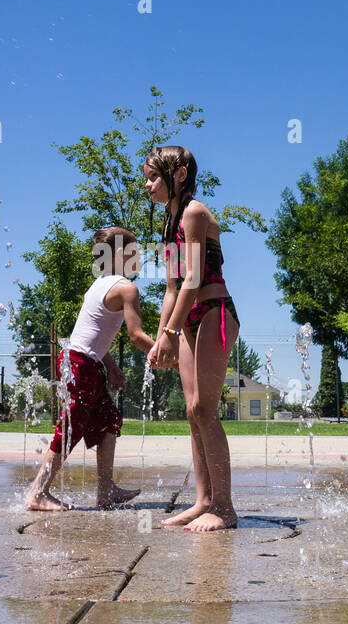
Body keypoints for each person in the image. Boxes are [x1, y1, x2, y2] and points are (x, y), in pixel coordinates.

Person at [26, 226, 155, 511]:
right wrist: (165, 352)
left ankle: (106, 490)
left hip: (84, 361)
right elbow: (136, 336)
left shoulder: (100, 284)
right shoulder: (126, 289)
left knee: (108, 419)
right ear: (121, 254)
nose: (142, 256)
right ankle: (38, 492)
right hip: (80, 364)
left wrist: (111, 366)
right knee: (71, 428)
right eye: (137, 250)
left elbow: (90, 335)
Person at [144, 146, 240, 531]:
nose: (147, 185)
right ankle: (203, 501)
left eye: (153, 176)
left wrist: (171, 331)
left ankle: (225, 507)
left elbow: (195, 280)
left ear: (179, 174)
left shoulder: (194, 213)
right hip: (187, 321)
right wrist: (160, 337)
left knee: (205, 410)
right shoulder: (169, 225)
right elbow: (171, 287)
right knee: (191, 411)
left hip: (215, 314)